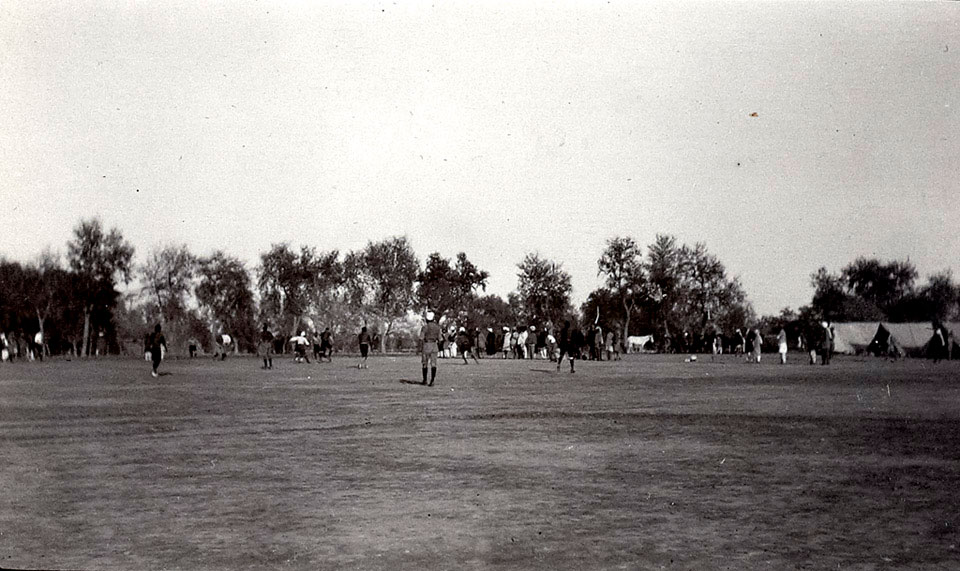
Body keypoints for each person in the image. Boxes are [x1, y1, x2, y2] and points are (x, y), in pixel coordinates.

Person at [419, 311, 442, 386]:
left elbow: (421, 338)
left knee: (424, 364)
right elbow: (440, 339)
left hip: (426, 345)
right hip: (434, 346)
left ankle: (425, 380)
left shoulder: (425, 327)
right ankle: (432, 380)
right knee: (433, 364)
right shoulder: (437, 327)